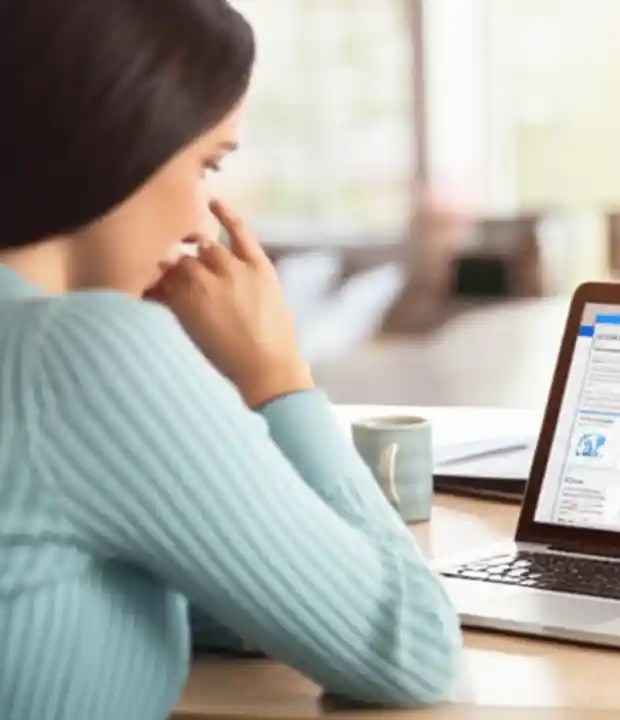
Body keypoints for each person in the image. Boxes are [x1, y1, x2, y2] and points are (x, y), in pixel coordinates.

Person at [0, 2, 460, 718]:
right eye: (207, 163)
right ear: (118, 138)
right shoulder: (84, 352)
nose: (200, 221)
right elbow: (410, 649)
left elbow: (207, 593)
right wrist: (276, 373)